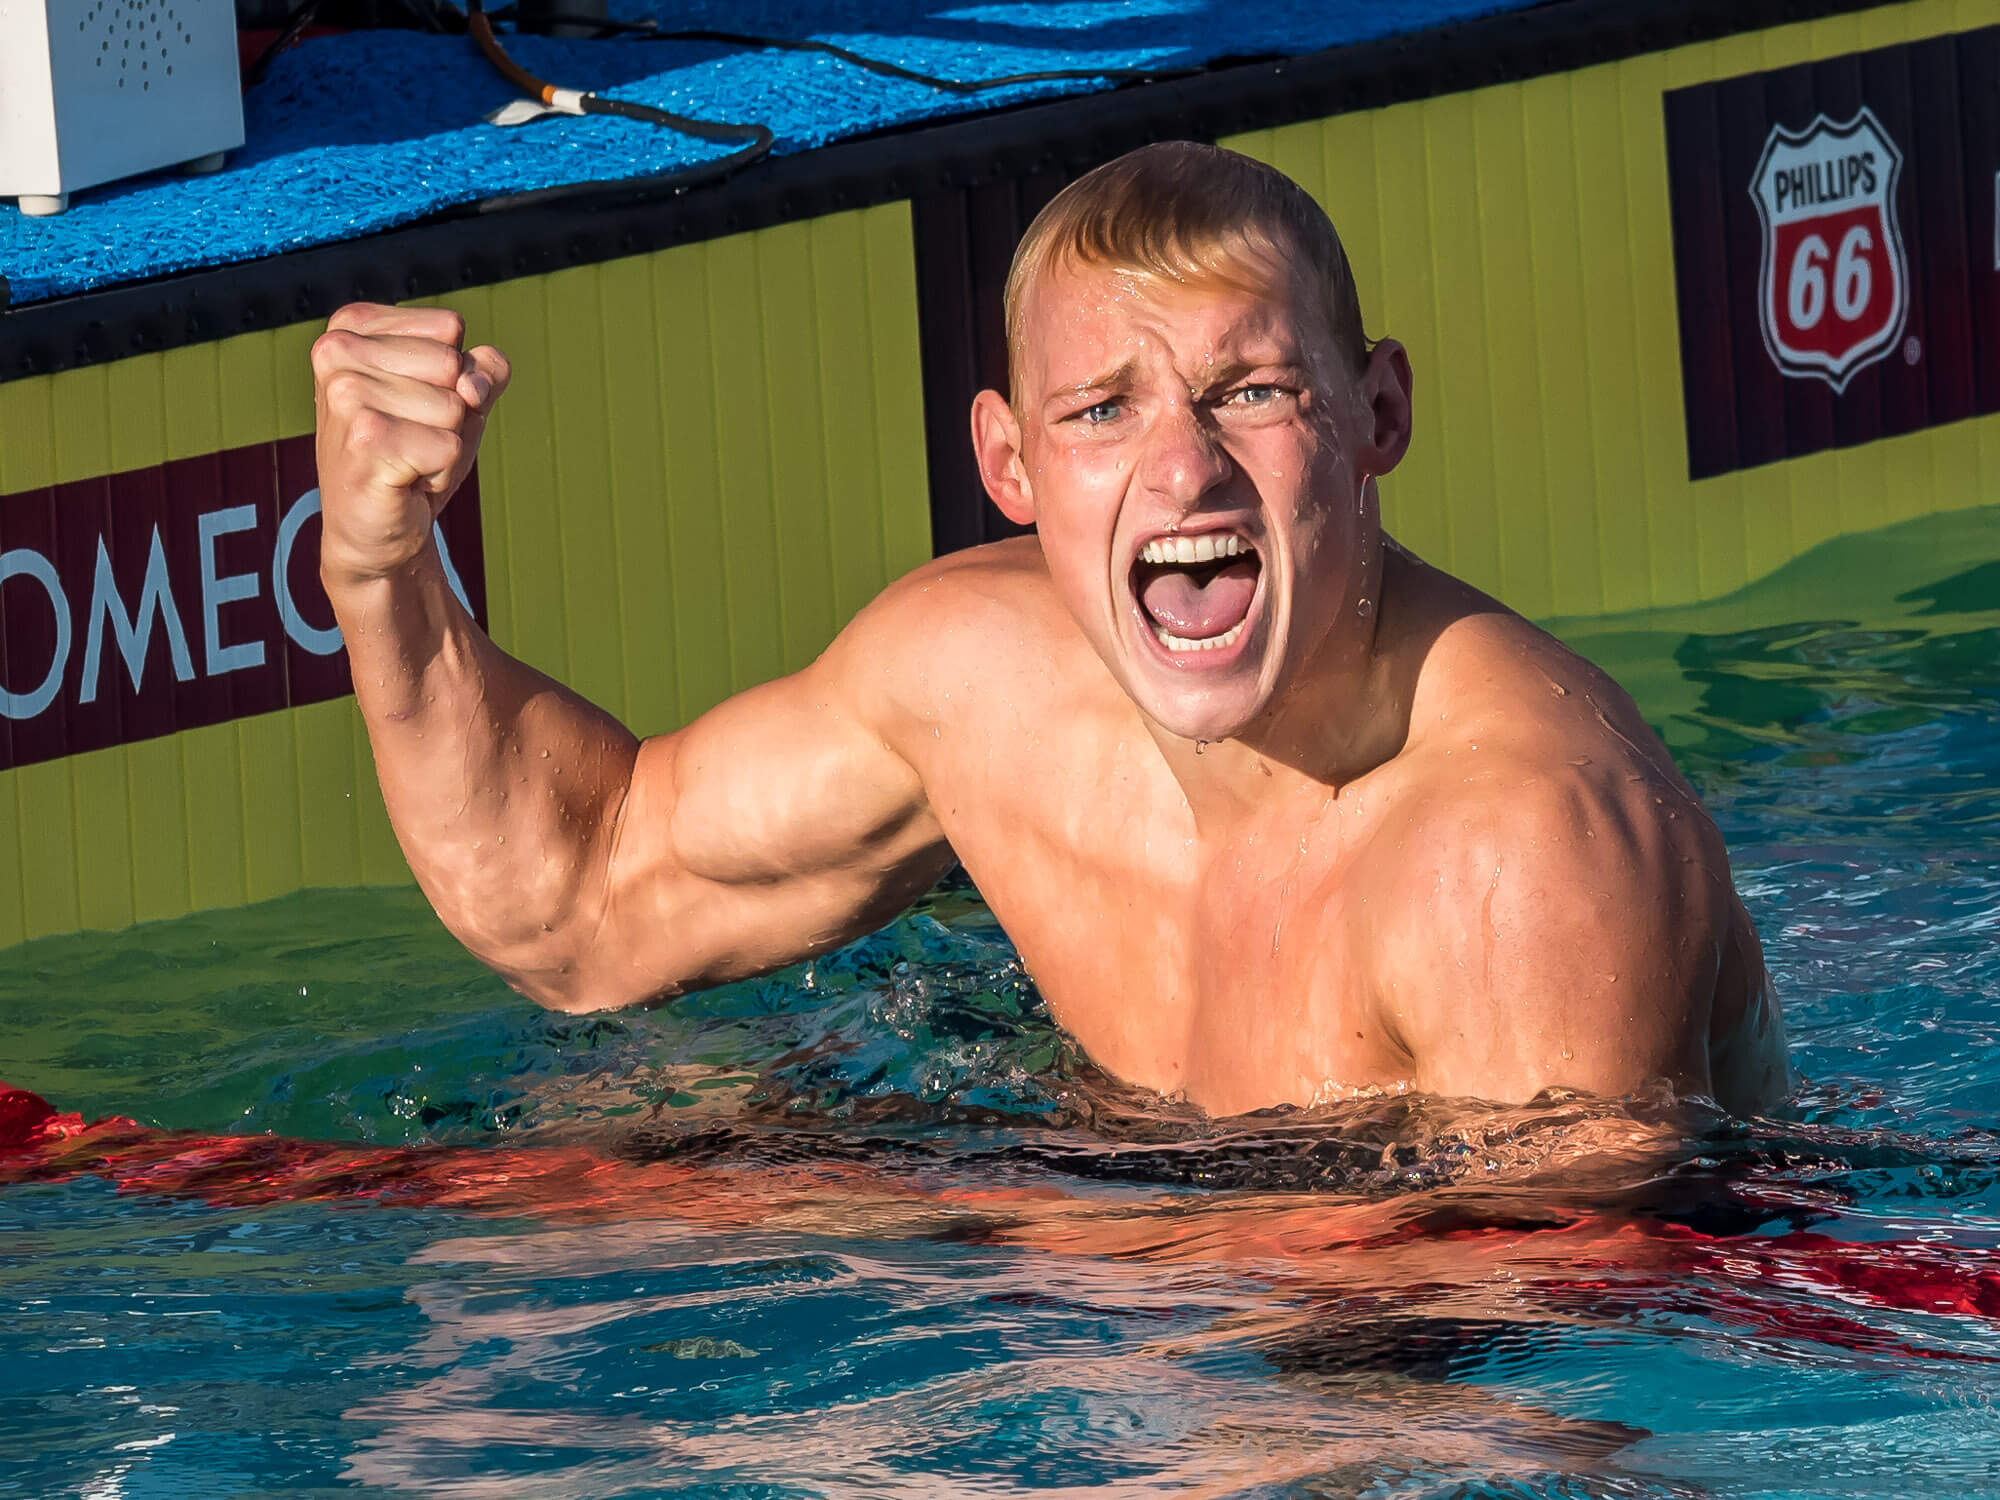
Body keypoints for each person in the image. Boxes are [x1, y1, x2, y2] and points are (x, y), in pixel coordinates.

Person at [308, 142, 1790, 1118]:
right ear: (1011, 468)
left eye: (1252, 390)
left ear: (1377, 415)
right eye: (1103, 412)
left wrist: (1051, 1263)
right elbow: (576, 902)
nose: (1183, 466)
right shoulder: (978, 690)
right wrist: (382, 573)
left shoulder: (1523, 859)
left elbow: (1530, 1401)